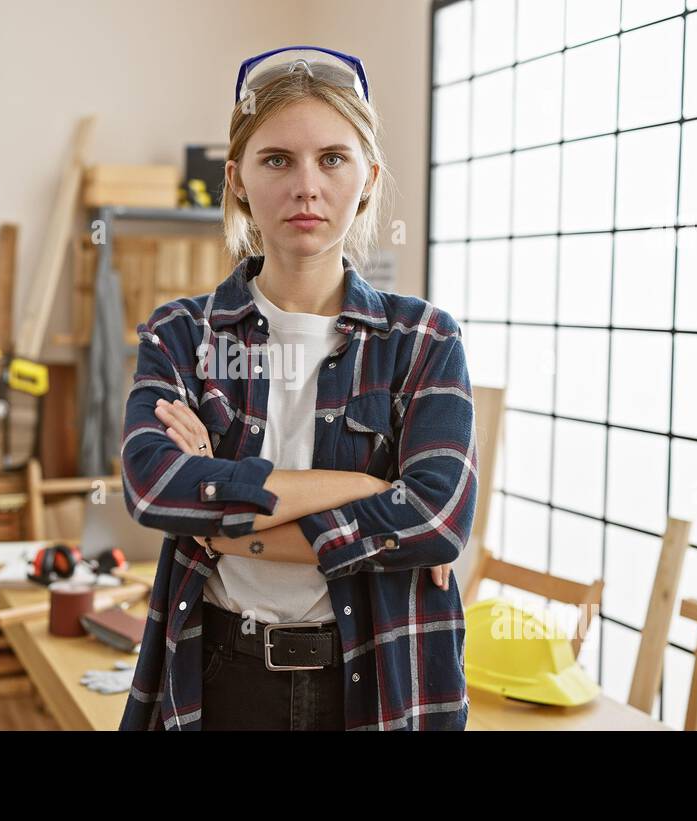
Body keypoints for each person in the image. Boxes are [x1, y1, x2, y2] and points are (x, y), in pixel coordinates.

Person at [118, 46, 478, 730]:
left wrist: (227, 527)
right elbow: (155, 486)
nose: (306, 186)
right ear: (239, 179)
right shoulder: (181, 334)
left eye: (332, 159)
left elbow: (436, 520)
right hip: (218, 669)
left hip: (378, 675)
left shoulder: (425, 339)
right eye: (277, 159)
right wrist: (372, 491)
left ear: (368, 178)